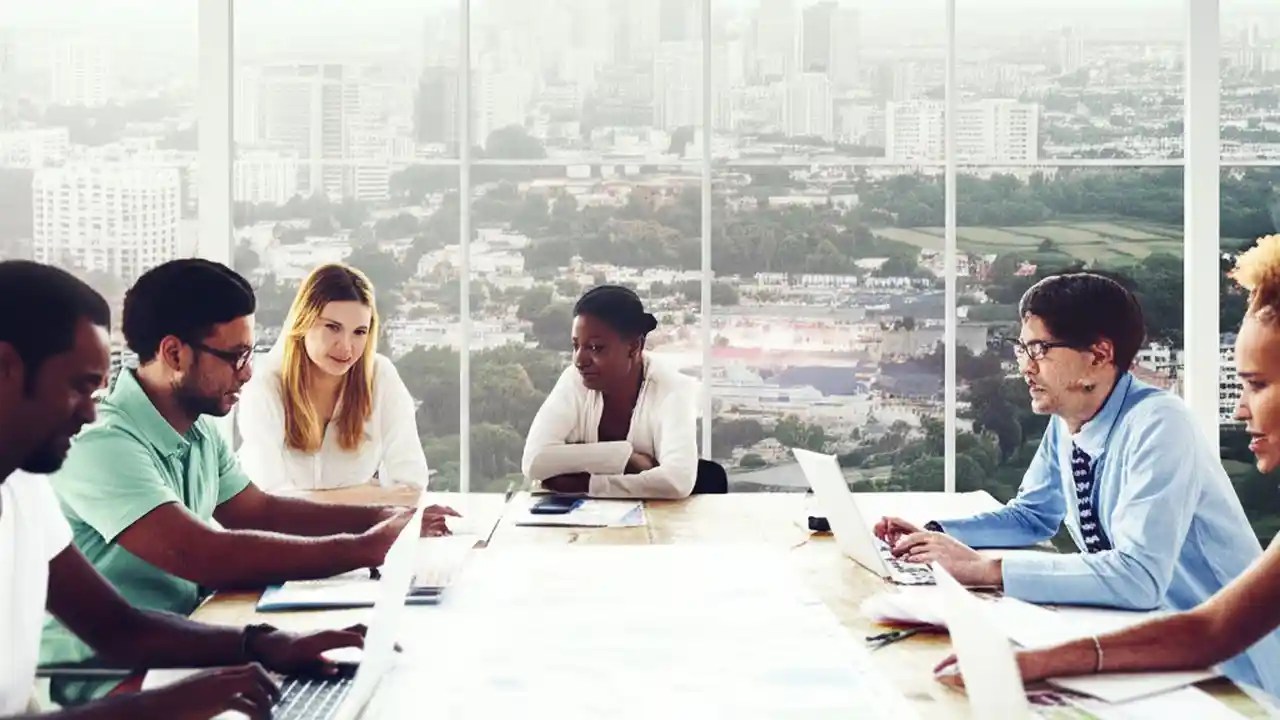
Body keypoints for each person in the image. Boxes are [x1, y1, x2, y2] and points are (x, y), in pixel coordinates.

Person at [39, 259, 452, 706]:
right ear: (175, 354)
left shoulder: (196, 430)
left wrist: (386, 520)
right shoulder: (103, 440)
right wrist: (363, 548)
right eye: (235, 356)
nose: (248, 372)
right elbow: (200, 553)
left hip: (187, 645)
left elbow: (258, 510)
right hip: (106, 682)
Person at [873, 271, 1280, 694]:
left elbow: (1139, 578)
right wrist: (936, 536)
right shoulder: (1070, 420)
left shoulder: (1160, 423)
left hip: (1234, 673)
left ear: (1099, 355)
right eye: (1022, 350)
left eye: (1040, 349)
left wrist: (987, 570)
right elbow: (1032, 515)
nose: (1026, 367)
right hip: (1145, 644)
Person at [237, 263, 432, 492]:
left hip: (364, 528)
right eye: (333, 327)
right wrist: (369, 497)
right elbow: (270, 496)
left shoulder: (381, 377)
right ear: (304, 321)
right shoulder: (266, 384)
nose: (346, 347)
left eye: (359, 332)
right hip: (278, 528)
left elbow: (410, 484)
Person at [521, 285, 698, 498]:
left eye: (596, 348)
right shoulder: (574, 380)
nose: (579, 360)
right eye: (576, 346)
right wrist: (626, 458)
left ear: (634, 347)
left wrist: (587, 484)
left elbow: (676, 481)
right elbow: (534, 461)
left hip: (653, 525)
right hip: (579, 527)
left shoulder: (672, 389)